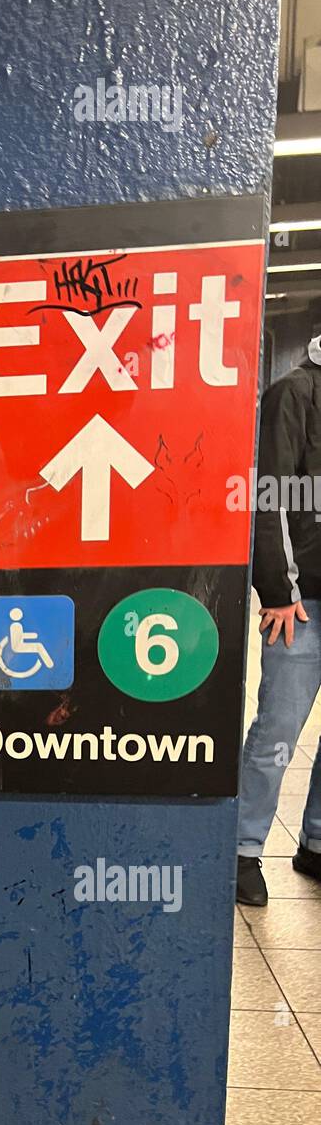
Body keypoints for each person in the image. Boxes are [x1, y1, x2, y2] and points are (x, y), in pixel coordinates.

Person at [237, 341, 321, 907]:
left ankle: (316, 843)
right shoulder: (294, 392)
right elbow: (269, 494)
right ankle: (241, 852)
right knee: (277, 733)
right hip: (303, 602)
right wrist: (279, 589)